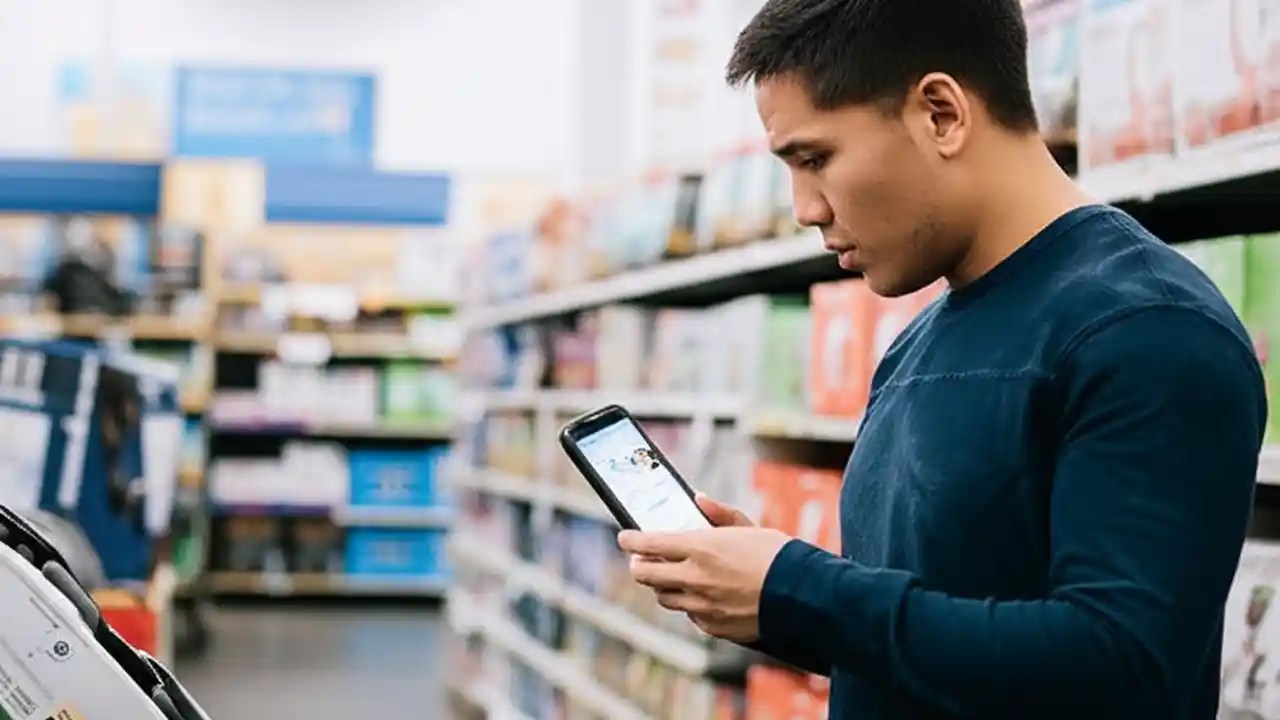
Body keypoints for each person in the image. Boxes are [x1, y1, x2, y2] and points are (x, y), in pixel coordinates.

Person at [616, 1, 1269, 718]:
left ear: (941, 114)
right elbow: (940, 641)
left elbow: (1120, 663)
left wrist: (801, 590)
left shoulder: (1149, 330)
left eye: (815, 158)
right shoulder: (916, 343)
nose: (804, 208)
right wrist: (771, 597)